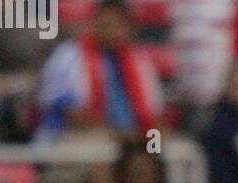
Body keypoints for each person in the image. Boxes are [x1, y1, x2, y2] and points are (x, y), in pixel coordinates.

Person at [35, 0, 164, 141]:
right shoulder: (68, 55)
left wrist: (157, 135)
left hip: (130, 139)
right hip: (72, 136)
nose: (111, 30)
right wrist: (115, 135)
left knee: (172, 149)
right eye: (106, 23)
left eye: (118, 24)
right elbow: (69, 112)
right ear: (94, 22)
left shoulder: (140, 61)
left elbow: (152, 114)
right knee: (97, 145)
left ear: (129, 28)